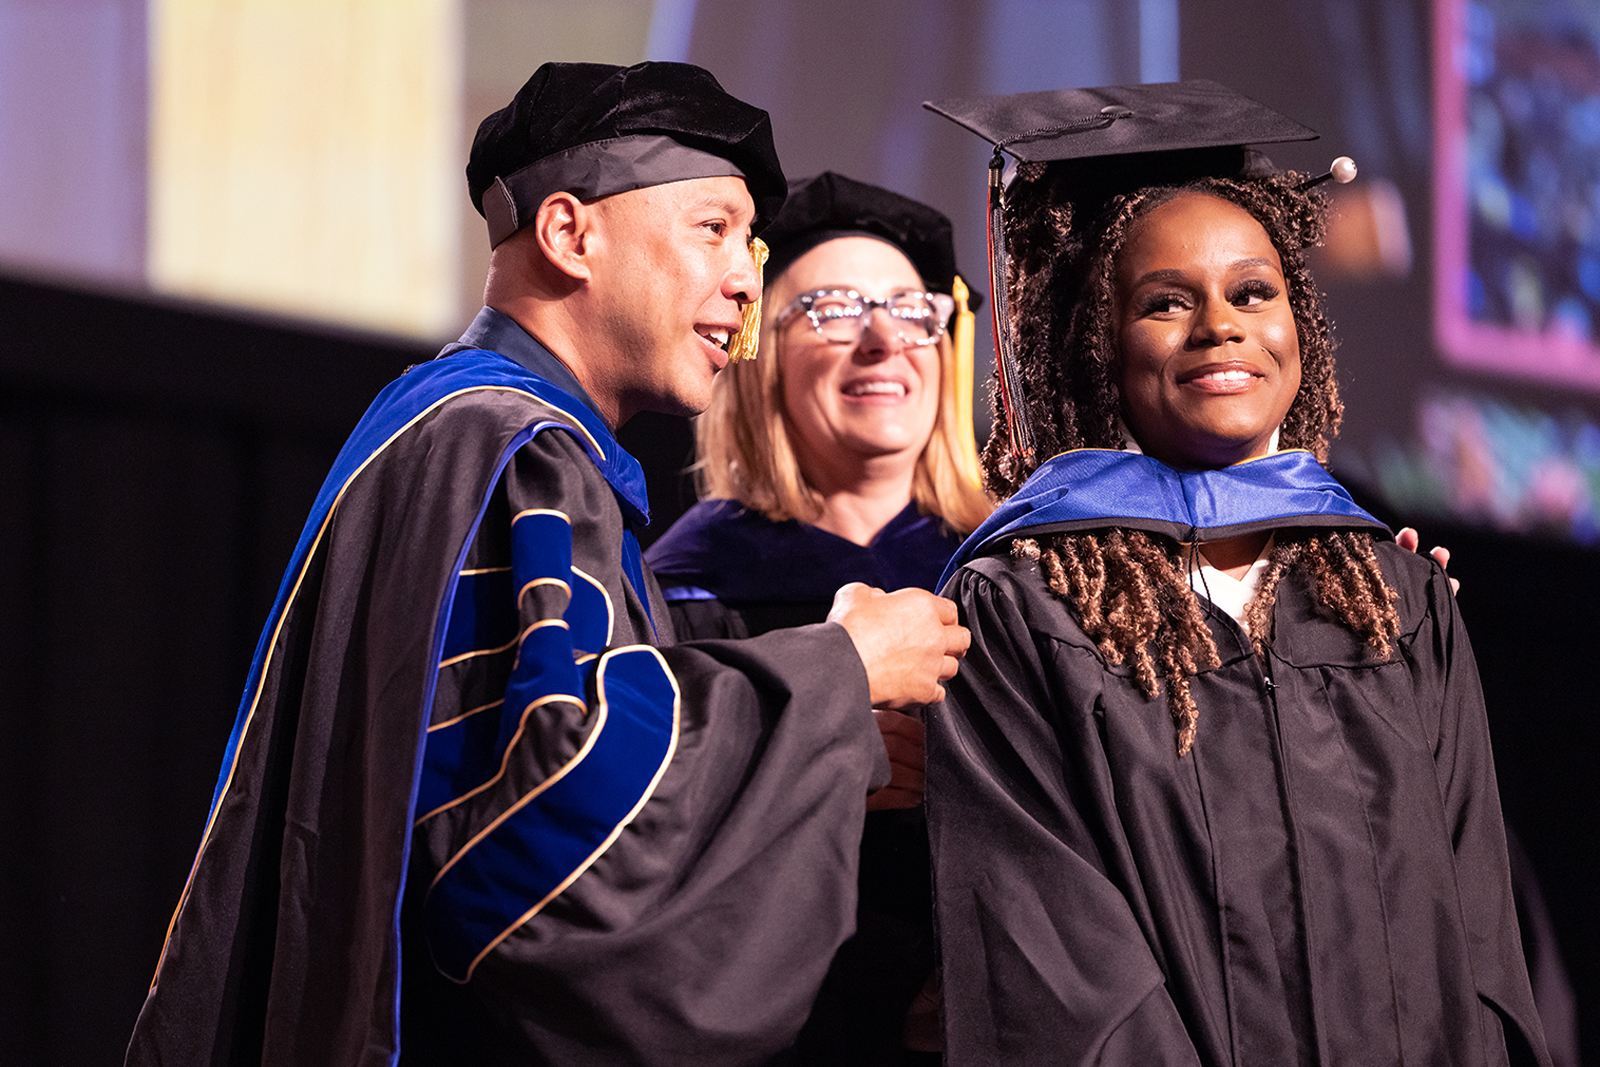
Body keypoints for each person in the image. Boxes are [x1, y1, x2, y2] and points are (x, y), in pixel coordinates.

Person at [123, 61, 969, 1067]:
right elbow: (549, 819)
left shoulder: (443, 427)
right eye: (711, 229)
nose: (746, 277)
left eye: (746, 244)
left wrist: (821, 751)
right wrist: (840, 670)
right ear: (570, 233)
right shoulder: (511, 449)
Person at [923, 81, 1550, 1066]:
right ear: (1097, 341)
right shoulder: (1025, 604)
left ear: (1298, 319)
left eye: (1252, 292)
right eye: (1165, 301)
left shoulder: (1395, 595)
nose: (1220, 325)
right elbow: (1049, 960)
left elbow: (1477, 934)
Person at [646, 172, 992, 1065]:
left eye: (914, 311)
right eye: (833, 309)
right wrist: (819, 753)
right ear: (758, 349)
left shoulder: (1020, 578)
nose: (883, 340)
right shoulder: (682, 589)